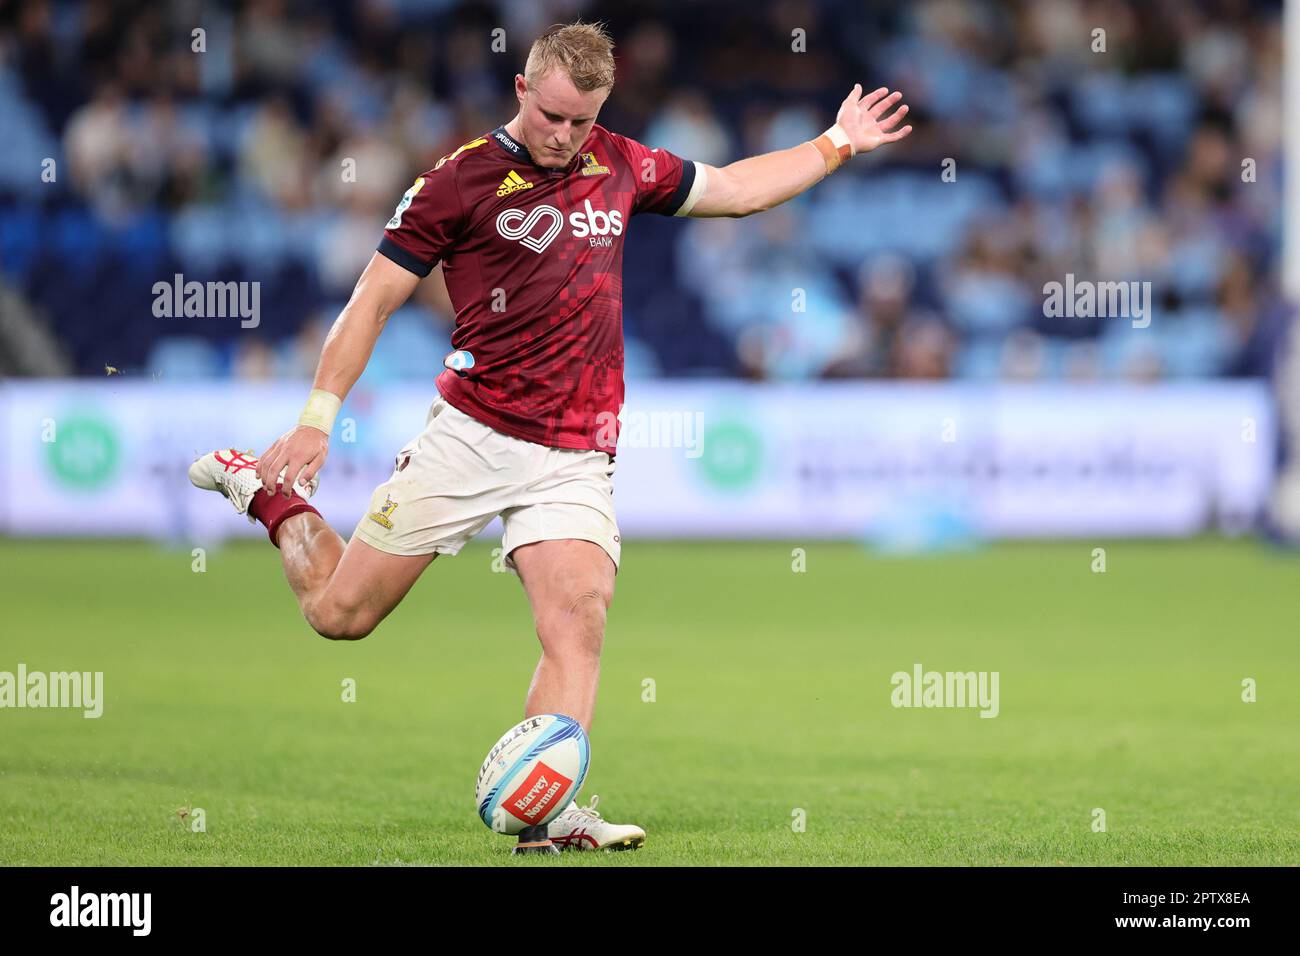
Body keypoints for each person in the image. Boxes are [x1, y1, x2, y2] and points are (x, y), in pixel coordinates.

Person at [189, 20, 912, 853]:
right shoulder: (456, 183)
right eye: (553, 117)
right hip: (471, 435)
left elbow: (738, 189)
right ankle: (272, 498)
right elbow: (371, 302)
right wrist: (317, 421)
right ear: (523, 90)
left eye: (583, 121)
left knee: (579, 616)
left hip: (574, 451)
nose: (565, 137)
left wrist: (835, 142)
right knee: (340, 615)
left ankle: (547, 813)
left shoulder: (622, 163)